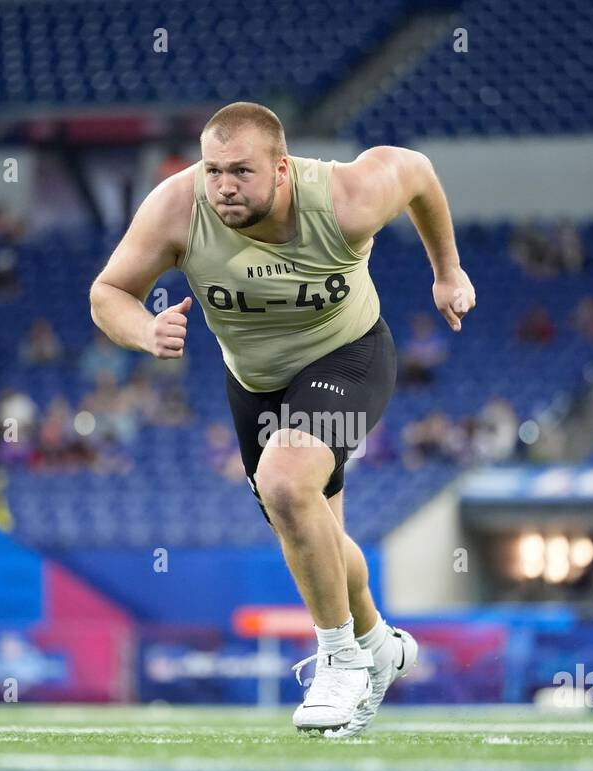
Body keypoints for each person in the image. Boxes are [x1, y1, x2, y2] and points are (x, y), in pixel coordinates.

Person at [88, 102, 475, 736]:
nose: (224, 187)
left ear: (283, 168)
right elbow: (108, 292)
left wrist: (448, 271)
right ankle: (378, 645)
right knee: (310, 531)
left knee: (286, 482)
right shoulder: (177, 207)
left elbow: (420, 174)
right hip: (255, 383)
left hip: (347, 355)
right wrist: (143, 330)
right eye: (213, 170)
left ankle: (341, 661)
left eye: (241, 171)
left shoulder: (344, 199)